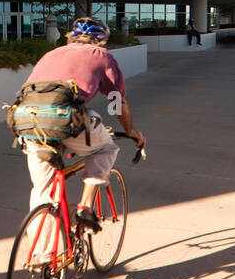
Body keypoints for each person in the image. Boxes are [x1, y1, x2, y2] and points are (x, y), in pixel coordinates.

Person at [19, 17, 145, 230]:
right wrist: (131, 131)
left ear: (71, 37)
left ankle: (43, 260)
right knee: (106, 148)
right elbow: (117, 103)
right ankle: (85, 206)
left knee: (43, 192)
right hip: (66, 120)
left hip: (27, 122)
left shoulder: (51, 54)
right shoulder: (102, 55)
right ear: (101, 40)